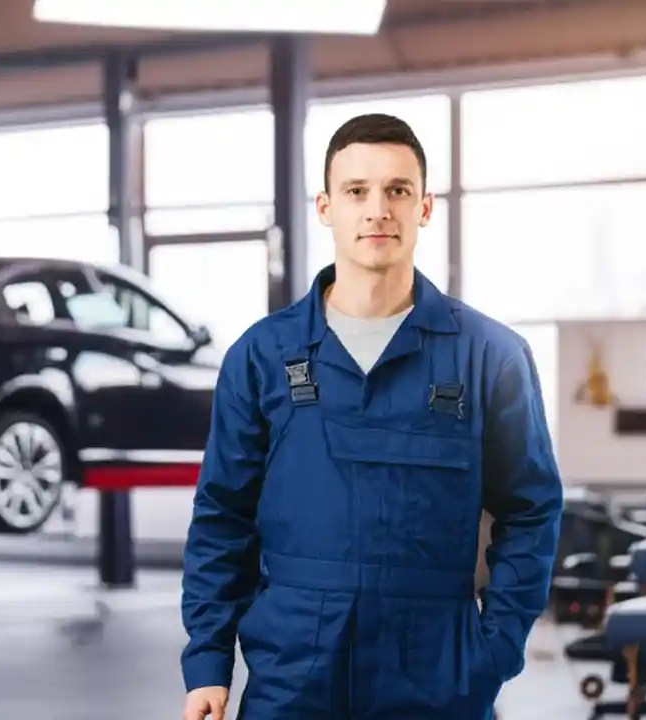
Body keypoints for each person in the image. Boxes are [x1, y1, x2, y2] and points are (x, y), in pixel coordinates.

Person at [179, 113, 563, 719]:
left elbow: (531, 507)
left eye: (398, 191)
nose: (377, 209)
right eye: (357, 191)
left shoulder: (490, 356)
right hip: (293, 679)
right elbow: (223, 515)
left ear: (425, 207)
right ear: (326, 206)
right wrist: (208, 661)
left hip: (441, 678)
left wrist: (496, 650)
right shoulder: (263, 356)